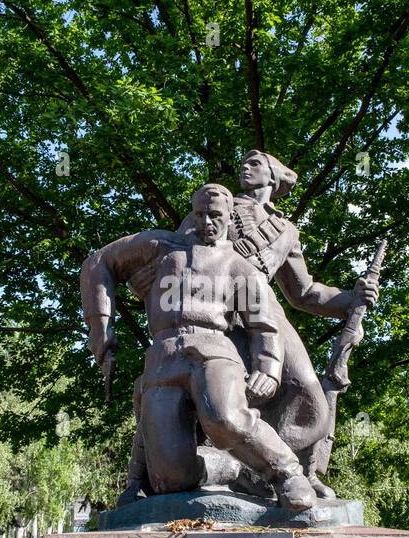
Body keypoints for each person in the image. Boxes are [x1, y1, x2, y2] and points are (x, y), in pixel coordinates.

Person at [80, 183, 317, 511]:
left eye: (216, 216)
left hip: (213, 351)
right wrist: (100, 329)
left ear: (229, 216)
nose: (207, 222)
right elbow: (96, 264)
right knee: (168, 480)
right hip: (162, 359)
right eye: (200, 213)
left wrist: (268, 367)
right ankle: (230, 469)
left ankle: (288, 474)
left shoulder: (239, 267)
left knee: (224, 416)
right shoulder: (157, 246)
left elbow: (263, 325)